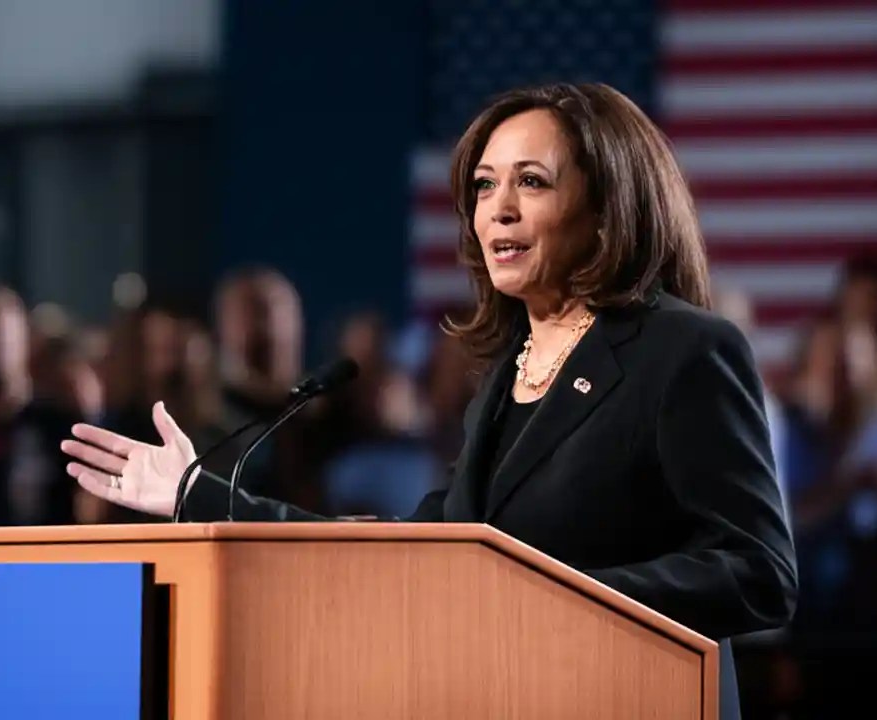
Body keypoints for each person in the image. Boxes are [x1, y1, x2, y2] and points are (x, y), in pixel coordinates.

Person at [61, 83, 797, 719]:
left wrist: (550, 597)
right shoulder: (508, 374)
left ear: (606, 209)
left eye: (532, 182)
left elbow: (758, 572)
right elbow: (417, 552)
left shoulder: (683, 349)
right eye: (485, 185)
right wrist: (200, 495)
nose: (499, 209)